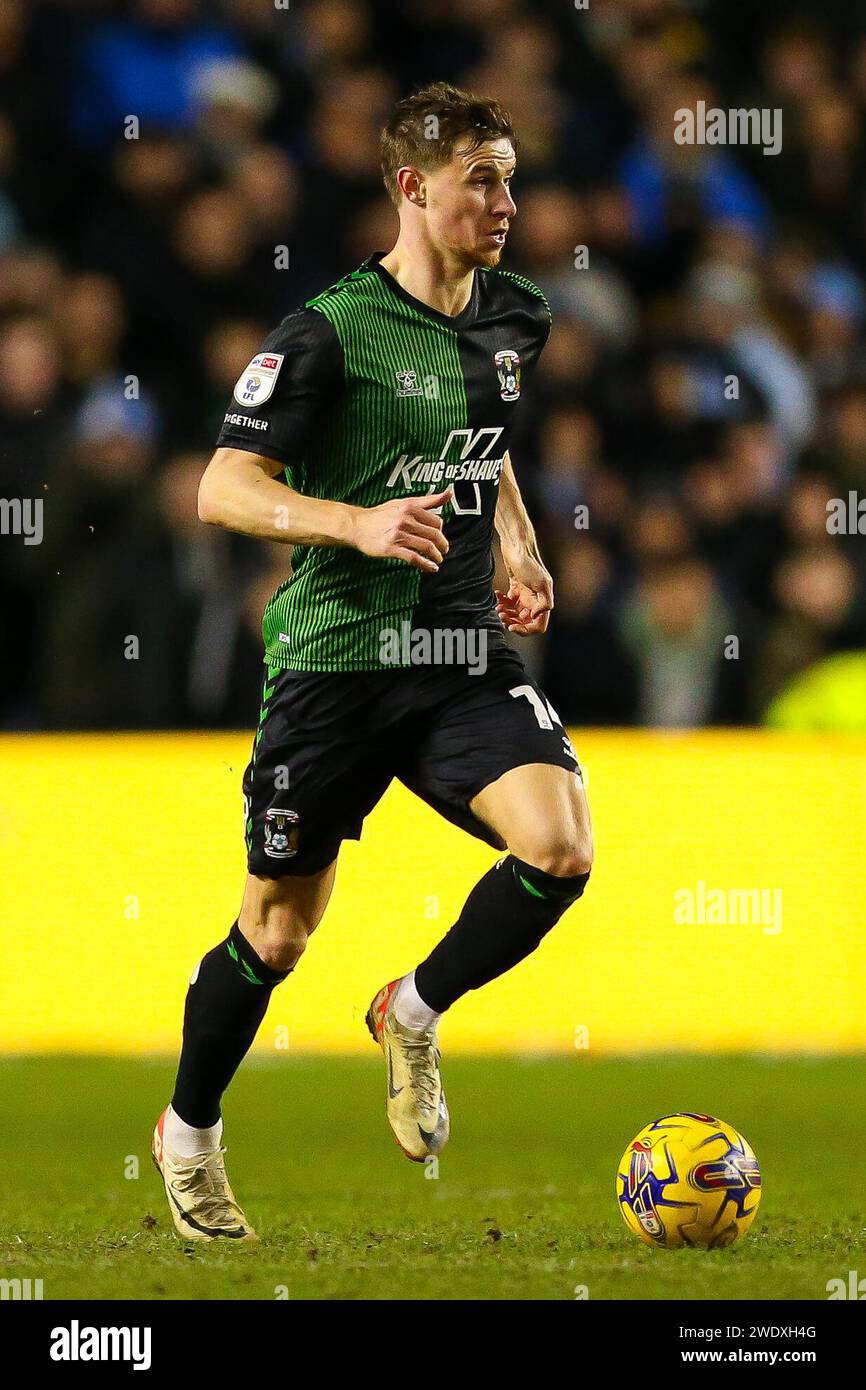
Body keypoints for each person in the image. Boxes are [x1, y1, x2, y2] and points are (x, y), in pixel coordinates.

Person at [151, 82, 593, 1242]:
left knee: (558, 849)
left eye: (509, 176)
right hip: (337, 662)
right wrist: (351, 522)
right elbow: (222, 486)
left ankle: (411, 1008)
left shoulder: (518, 315)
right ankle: (189, 1128)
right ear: (411, 187)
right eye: (479, 181)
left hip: (455, 651)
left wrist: (517, 542)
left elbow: (482, 443)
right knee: (276, 935)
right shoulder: (326, 330)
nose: (505, 201)